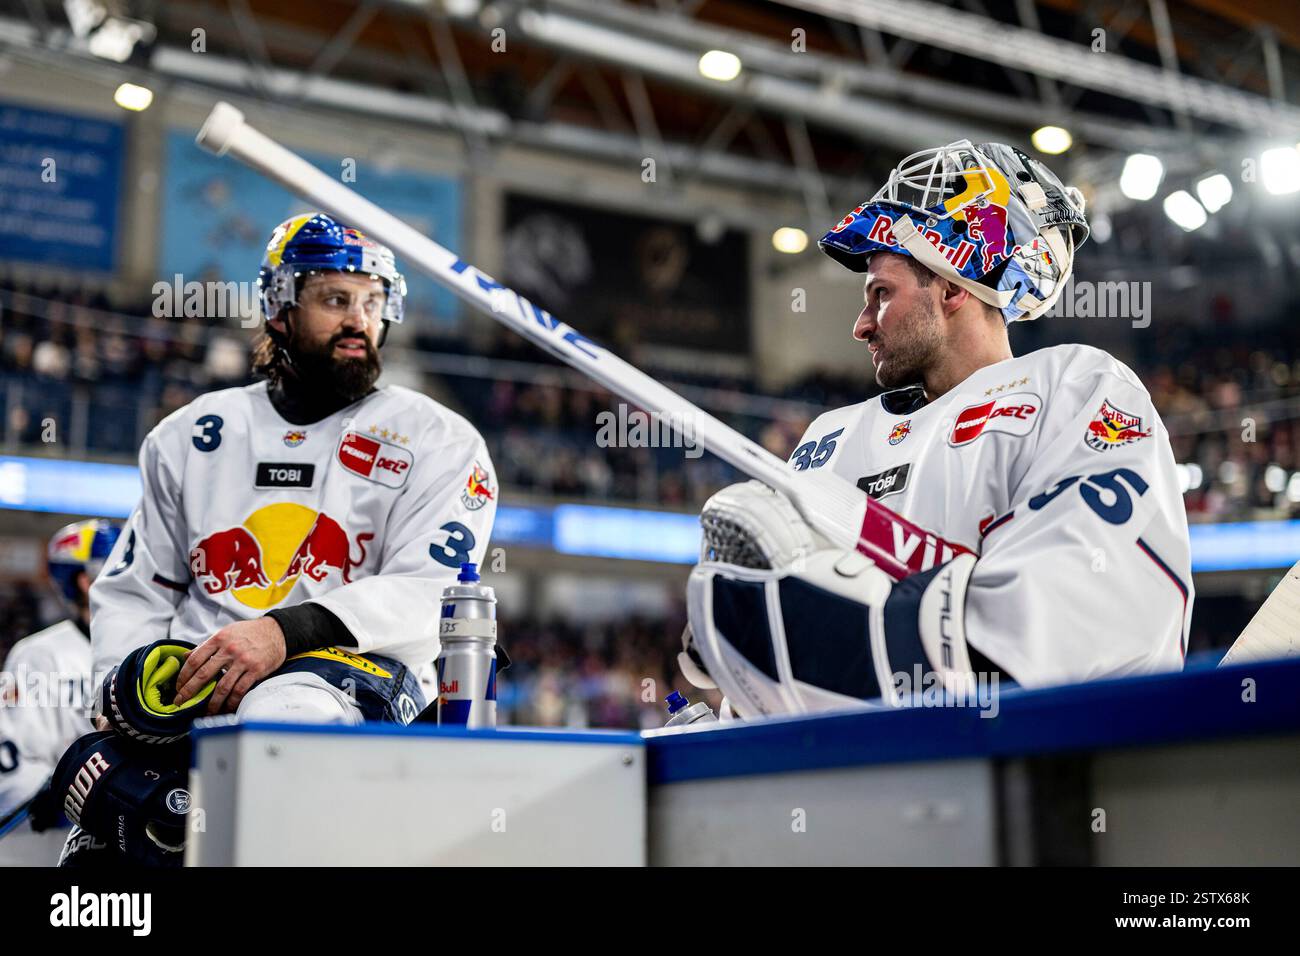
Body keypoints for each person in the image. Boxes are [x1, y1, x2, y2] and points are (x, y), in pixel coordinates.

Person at [681, 141, 1192, 717]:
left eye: (882, 294)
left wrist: (831, 632)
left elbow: (1072, 617)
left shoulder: (1073, 386)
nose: (861, 325)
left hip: (1022, 783)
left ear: (952, 285)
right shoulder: (830, 437)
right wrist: (738, 685)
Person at [91, 211, 499, 725]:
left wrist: (283, 632)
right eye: (336, 299)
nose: (359, 321)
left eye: (372, 302)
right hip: (200, 688)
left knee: (287, 713)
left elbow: (432, 593)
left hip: (354, 683)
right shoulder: (191, 434)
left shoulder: (440, 440)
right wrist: (120, 695)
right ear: (279, 308)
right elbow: (137, 591)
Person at [0, 520, 119, 864]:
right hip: (53, 839)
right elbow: (13, 756)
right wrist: (63, 796)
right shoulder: (39, 654)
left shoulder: (148, 648)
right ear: (85, 581)